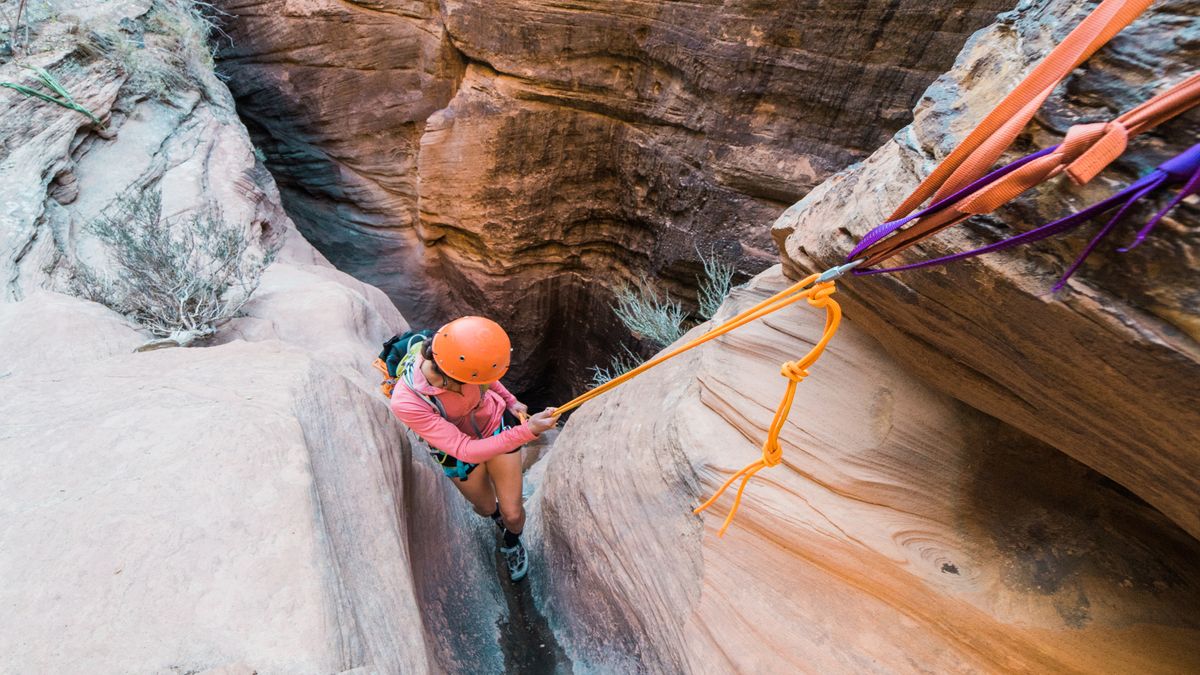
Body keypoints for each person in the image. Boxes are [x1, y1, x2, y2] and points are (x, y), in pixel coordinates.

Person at [388, 316, 556, 581]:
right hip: (459, 454)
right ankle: (496, 518)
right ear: (449, 380)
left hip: (496, 427)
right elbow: (465, 449)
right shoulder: (408, 401)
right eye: (469, 381)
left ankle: (511, 541)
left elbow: (486, 376)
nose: (477, 384)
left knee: (512, 514)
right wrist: (529, 431)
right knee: (487, 507)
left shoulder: (459, 358)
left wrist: (510, 401)